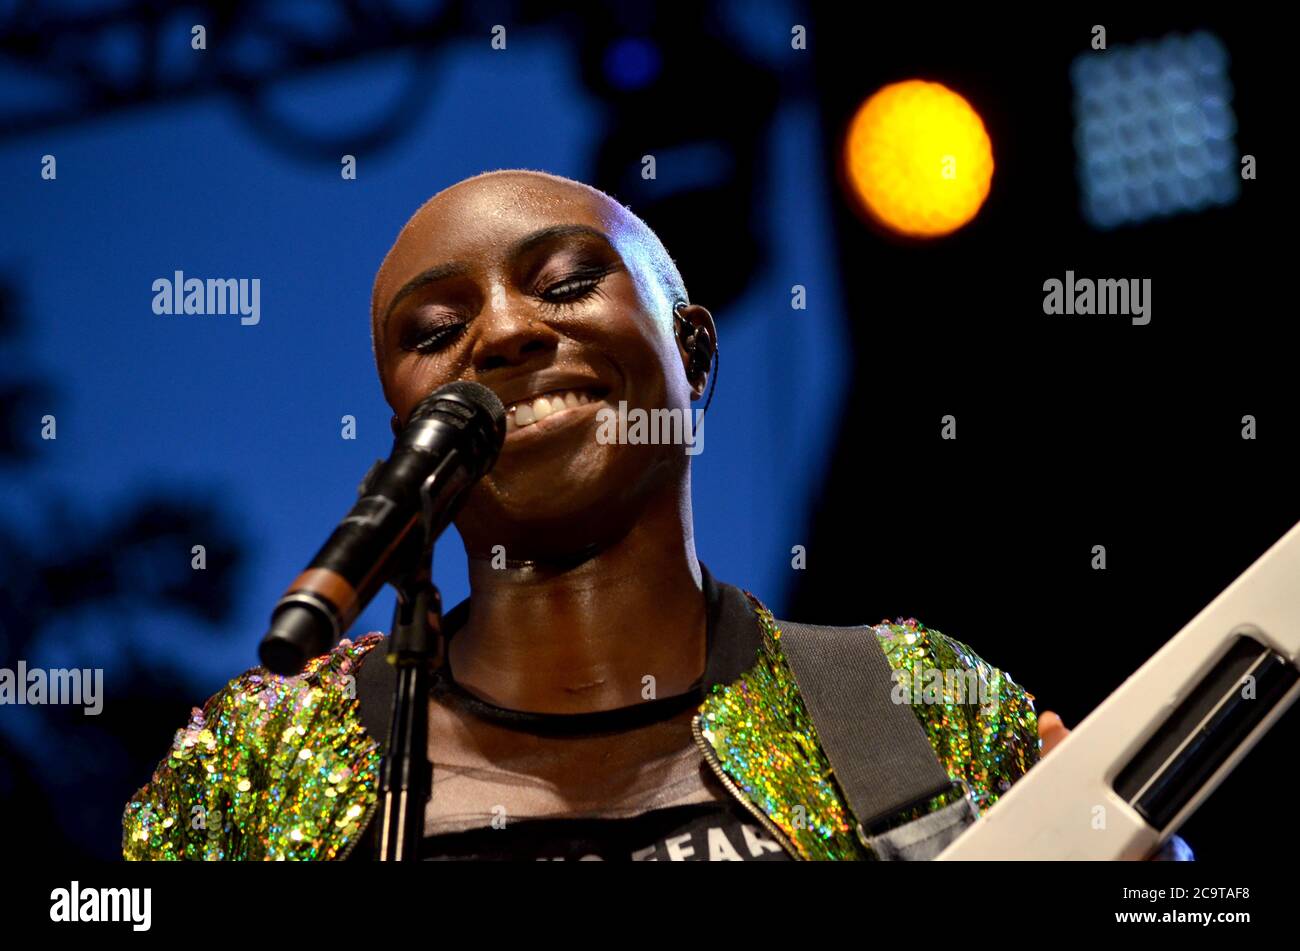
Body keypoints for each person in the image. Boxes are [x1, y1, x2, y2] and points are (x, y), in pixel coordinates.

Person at [122, 169, 1189, 861]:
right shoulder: (263, 762)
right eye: (436, 330)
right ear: (408, 432)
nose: (503, 333)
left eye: (565, 282)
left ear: (692, 352)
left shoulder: (903, 702)